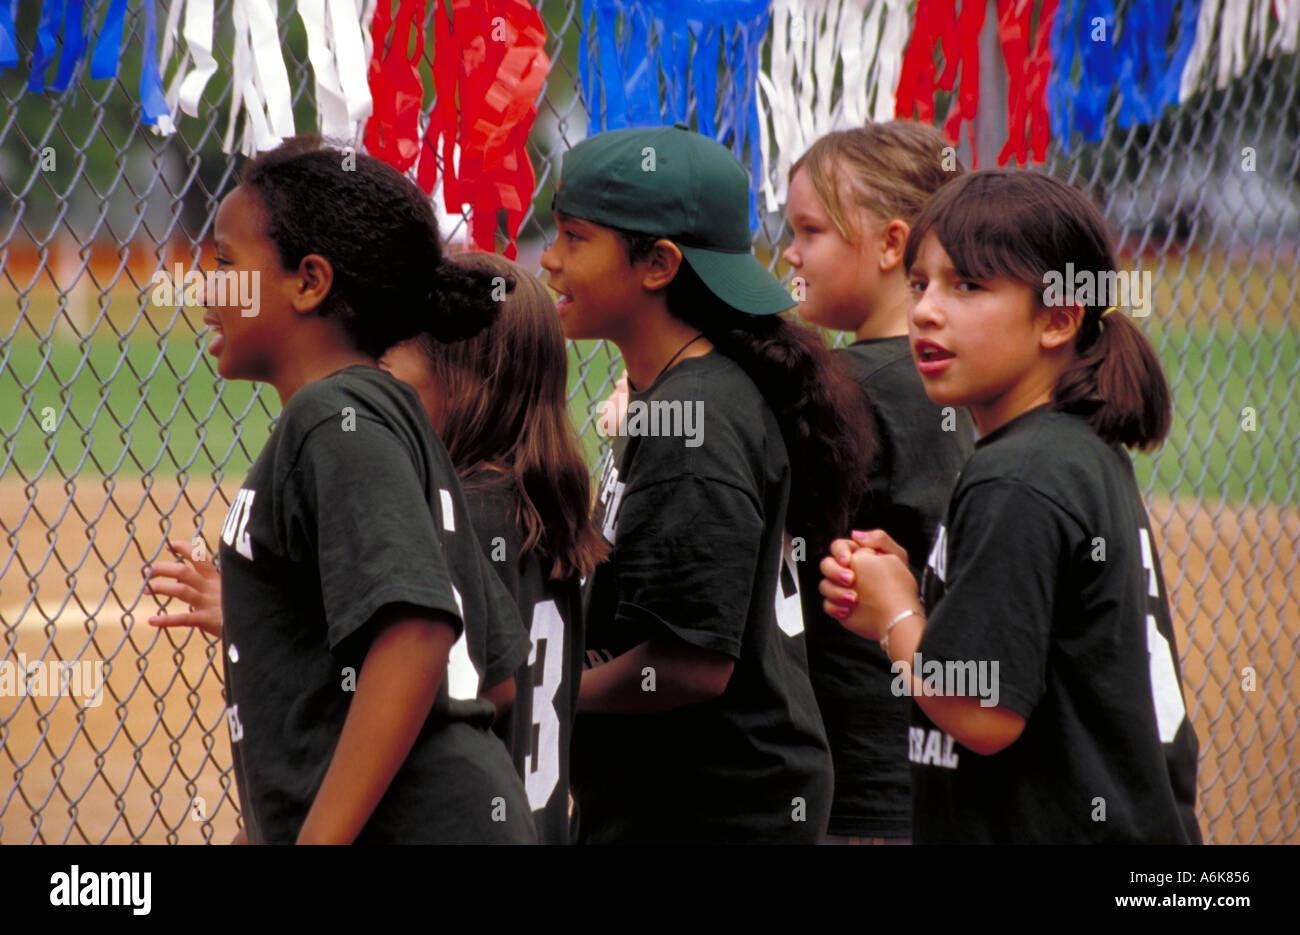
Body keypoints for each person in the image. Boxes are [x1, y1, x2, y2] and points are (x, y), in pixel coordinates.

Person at [148, 135, 535, 844]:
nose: (206, 291)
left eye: (227, 266)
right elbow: (494, 676)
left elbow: (417, 635)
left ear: (310, 281)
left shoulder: (332, 420)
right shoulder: (389, 417)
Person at [819, 169, 1202, 844]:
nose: (926, 311)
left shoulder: (1018, 475)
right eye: (919, 283)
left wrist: (895, 616)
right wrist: (916, 591)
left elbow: (981, 706)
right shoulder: (1073, 449)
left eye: (967, 285)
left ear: (1056, 317)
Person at [541, 122, 874, 843]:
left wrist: (547, 692)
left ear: (657, 263)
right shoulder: (681, 394)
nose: (550, 259)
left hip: (718, 808)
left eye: (573, 237)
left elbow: (691, 664)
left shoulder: (697, 420)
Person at [782, 122, 975, 844]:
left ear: (893, 244)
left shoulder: (842, 389)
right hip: (930, 751)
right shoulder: (964, 380)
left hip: (854, 770)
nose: (791, 255)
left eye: (810, 231)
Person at [378, 251, 607, 843]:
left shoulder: (461, 516)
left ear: (458, 380)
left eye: (389, 360)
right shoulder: (535, 503)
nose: (377, 382)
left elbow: (416, 691)